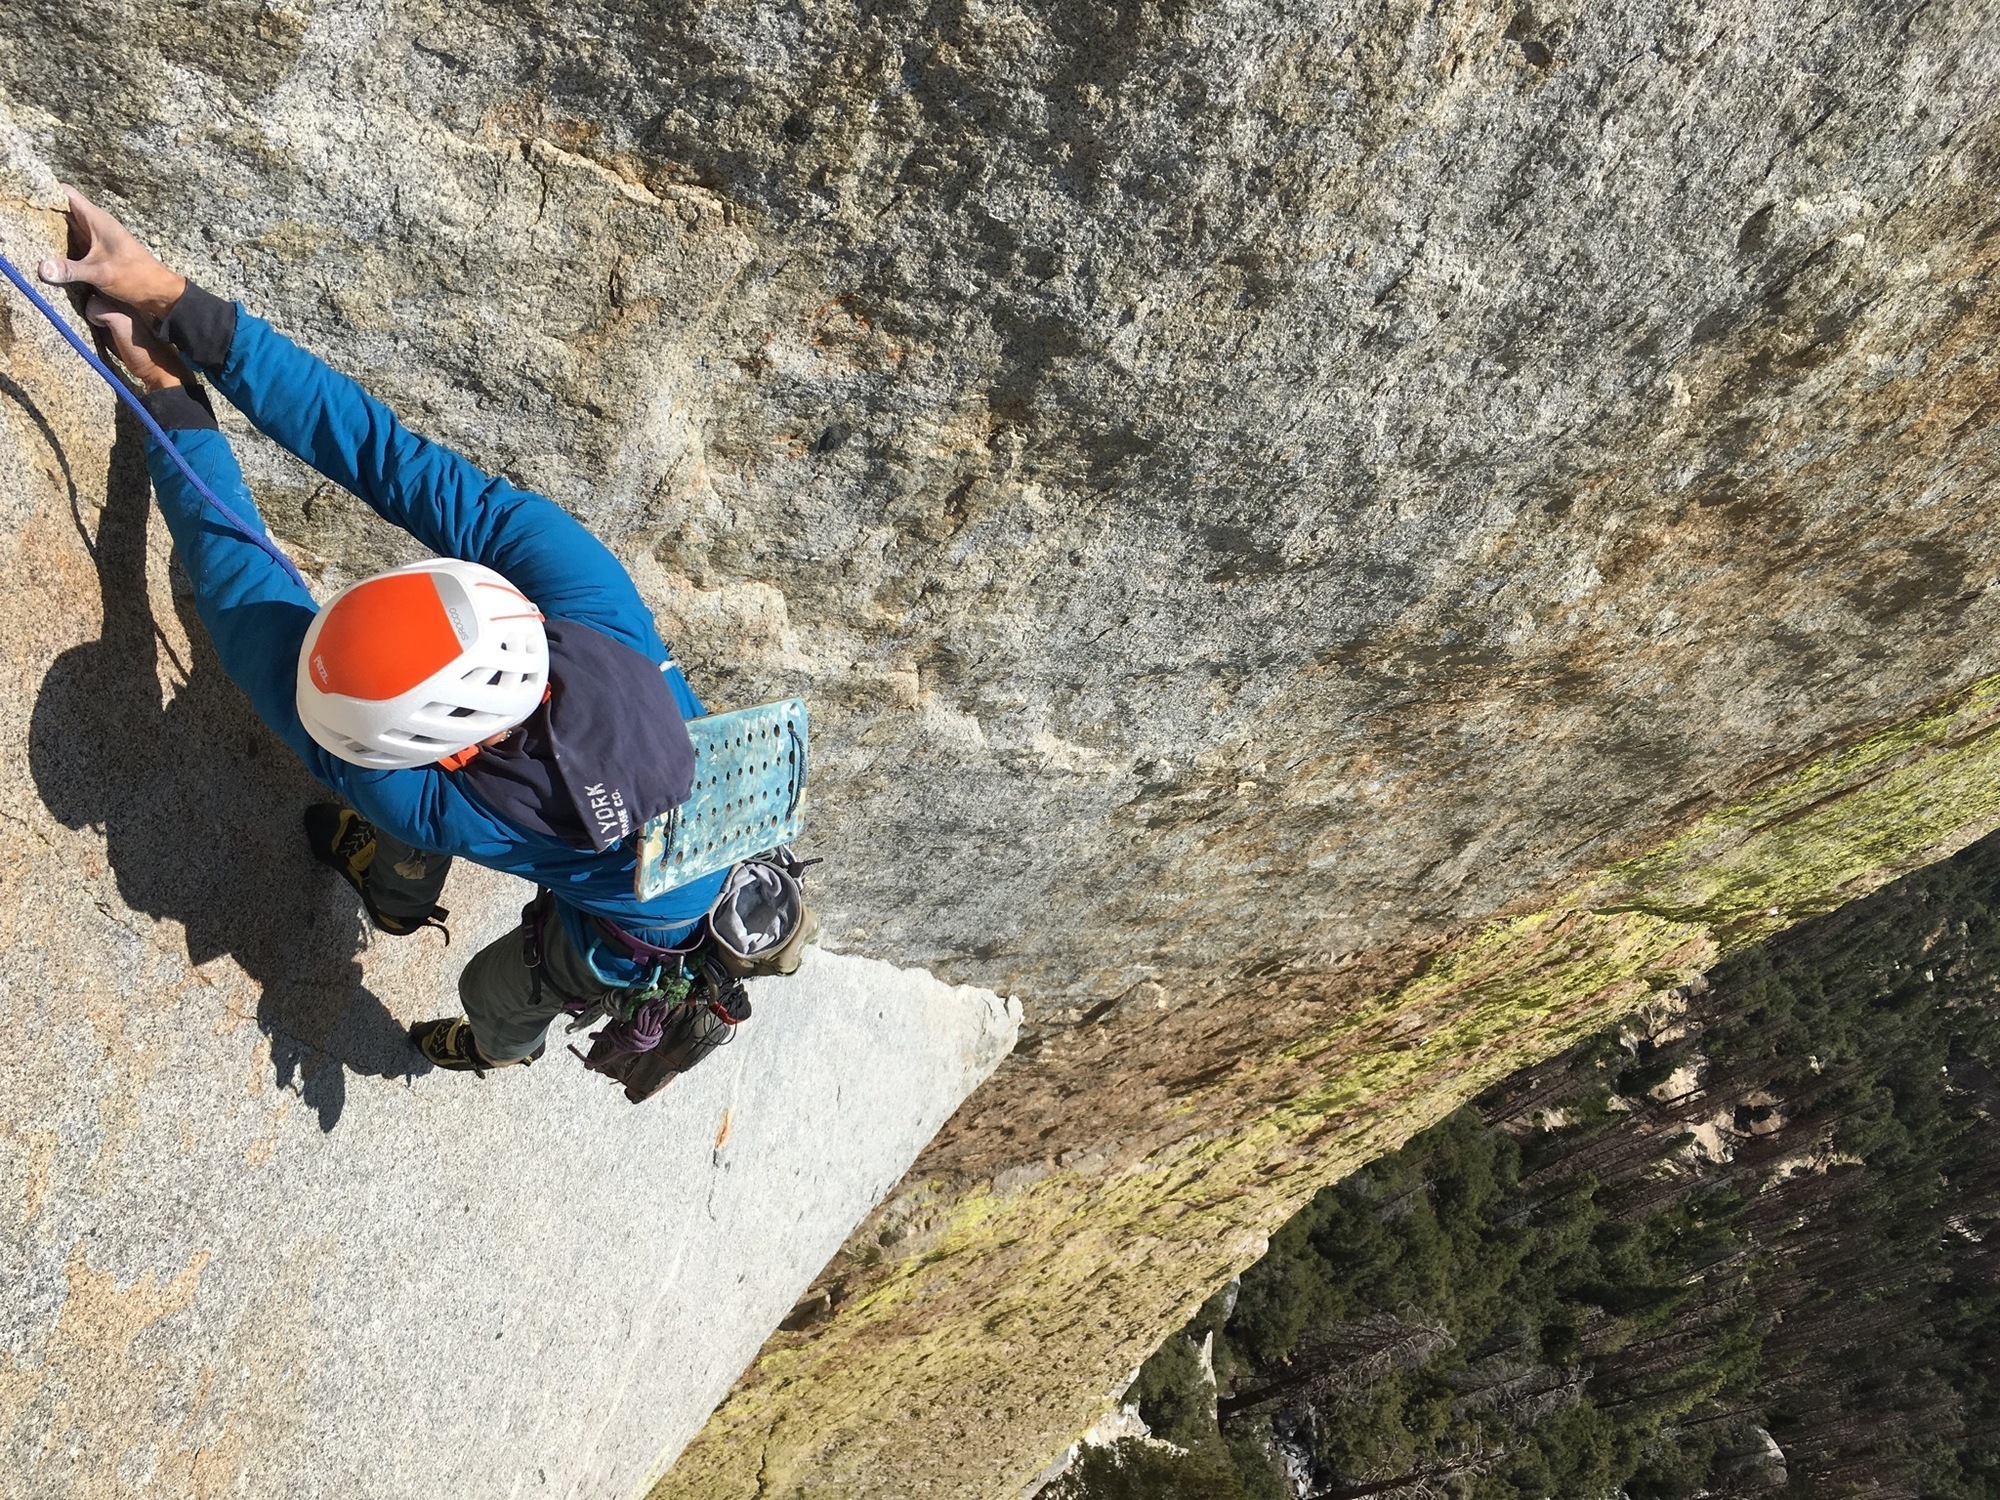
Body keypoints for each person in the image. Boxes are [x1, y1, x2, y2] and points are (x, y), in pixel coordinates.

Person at [37, 187, 730, 1078]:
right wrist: (174, 301)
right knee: (425, 819)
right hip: (720, 811)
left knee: (501, 990)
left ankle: (489, 1046)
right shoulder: (578, 583)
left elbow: (237, 585)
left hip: (647, 927)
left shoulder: (427, 800)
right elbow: (382, 456)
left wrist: (170, 397)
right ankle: (399, 900)